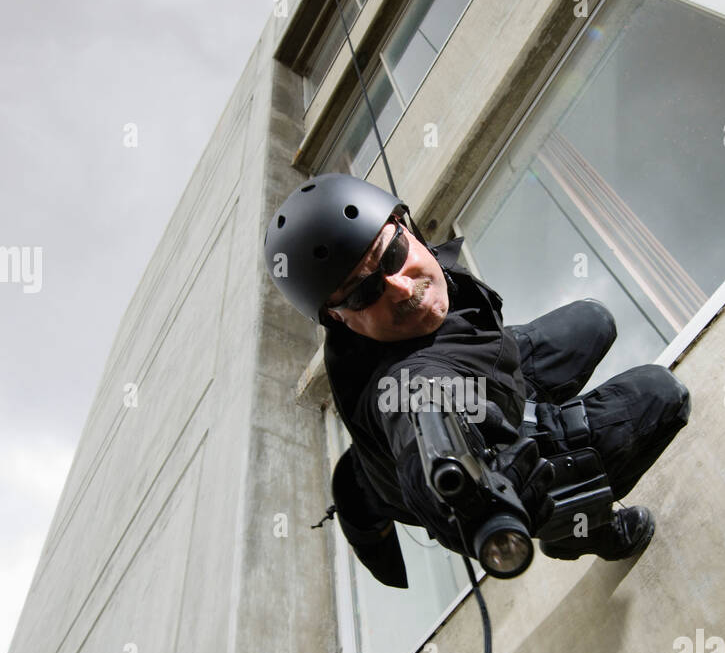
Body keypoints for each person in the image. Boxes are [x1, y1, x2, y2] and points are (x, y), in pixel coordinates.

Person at [264, 173, 691, 588]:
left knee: (593, 322)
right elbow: (415, 423)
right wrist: (470, 503)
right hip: (485, 431)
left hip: (490, 374)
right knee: (661, 394)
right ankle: (586, 531)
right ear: (339, 318)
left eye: (391, 255)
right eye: (363, 293)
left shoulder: (424, 284)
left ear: (404, 226)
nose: (398, 288)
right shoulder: (401, 384)